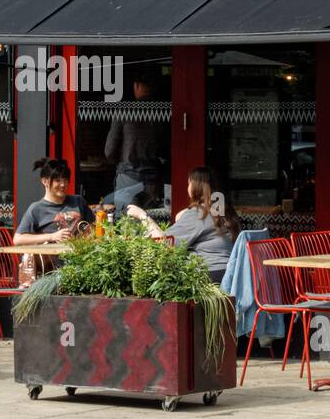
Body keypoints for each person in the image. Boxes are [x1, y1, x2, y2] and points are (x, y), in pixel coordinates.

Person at [128, 166, 240, 282]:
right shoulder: (224, 211)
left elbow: (164, 243)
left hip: (207, 275)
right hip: (228, 273)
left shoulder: (198, 214)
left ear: (196, 187)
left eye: (189, 184)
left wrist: (142, 215)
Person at [104, 74, 164, 211]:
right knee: (151, 225)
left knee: (126, 226)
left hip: (128, 177)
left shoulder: (125, 111)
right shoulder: (163, 112)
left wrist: (121, 162)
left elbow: (109, 151)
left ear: (136, 86)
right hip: (154, 180)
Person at [13, 158, 94, 246]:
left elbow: (94, 226)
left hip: (80, 257)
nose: (63, 184)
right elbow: (18, 239)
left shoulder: (78, 201)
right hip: (52, 259)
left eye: (65, 180)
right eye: (57, 180)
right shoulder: (36, 208)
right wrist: (51, 236)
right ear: (45, 181)